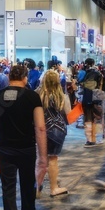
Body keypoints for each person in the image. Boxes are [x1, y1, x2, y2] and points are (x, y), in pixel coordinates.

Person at [0, 64, 46, 210]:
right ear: (25, 77)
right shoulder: (32, 96)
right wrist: (43, 156)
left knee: (8, 190)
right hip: (26, 149)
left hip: (5, 150)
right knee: (28, 186)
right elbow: (40, 128)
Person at [38, 69, 70, 197]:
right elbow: (67, 111)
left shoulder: (36, 94)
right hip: (57, 130)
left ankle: (36, 188)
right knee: (53, 158)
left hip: (41, 128)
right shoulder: (61, 96)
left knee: (40, 159)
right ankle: (53, 188)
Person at [78, 58, 102, 146]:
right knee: (95, 117)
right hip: (96, 97)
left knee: (88, 118)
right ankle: (95, 138)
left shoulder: (84, 72)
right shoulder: (98, 73)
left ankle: (89, 139)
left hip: (87, 97)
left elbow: (79, 82)